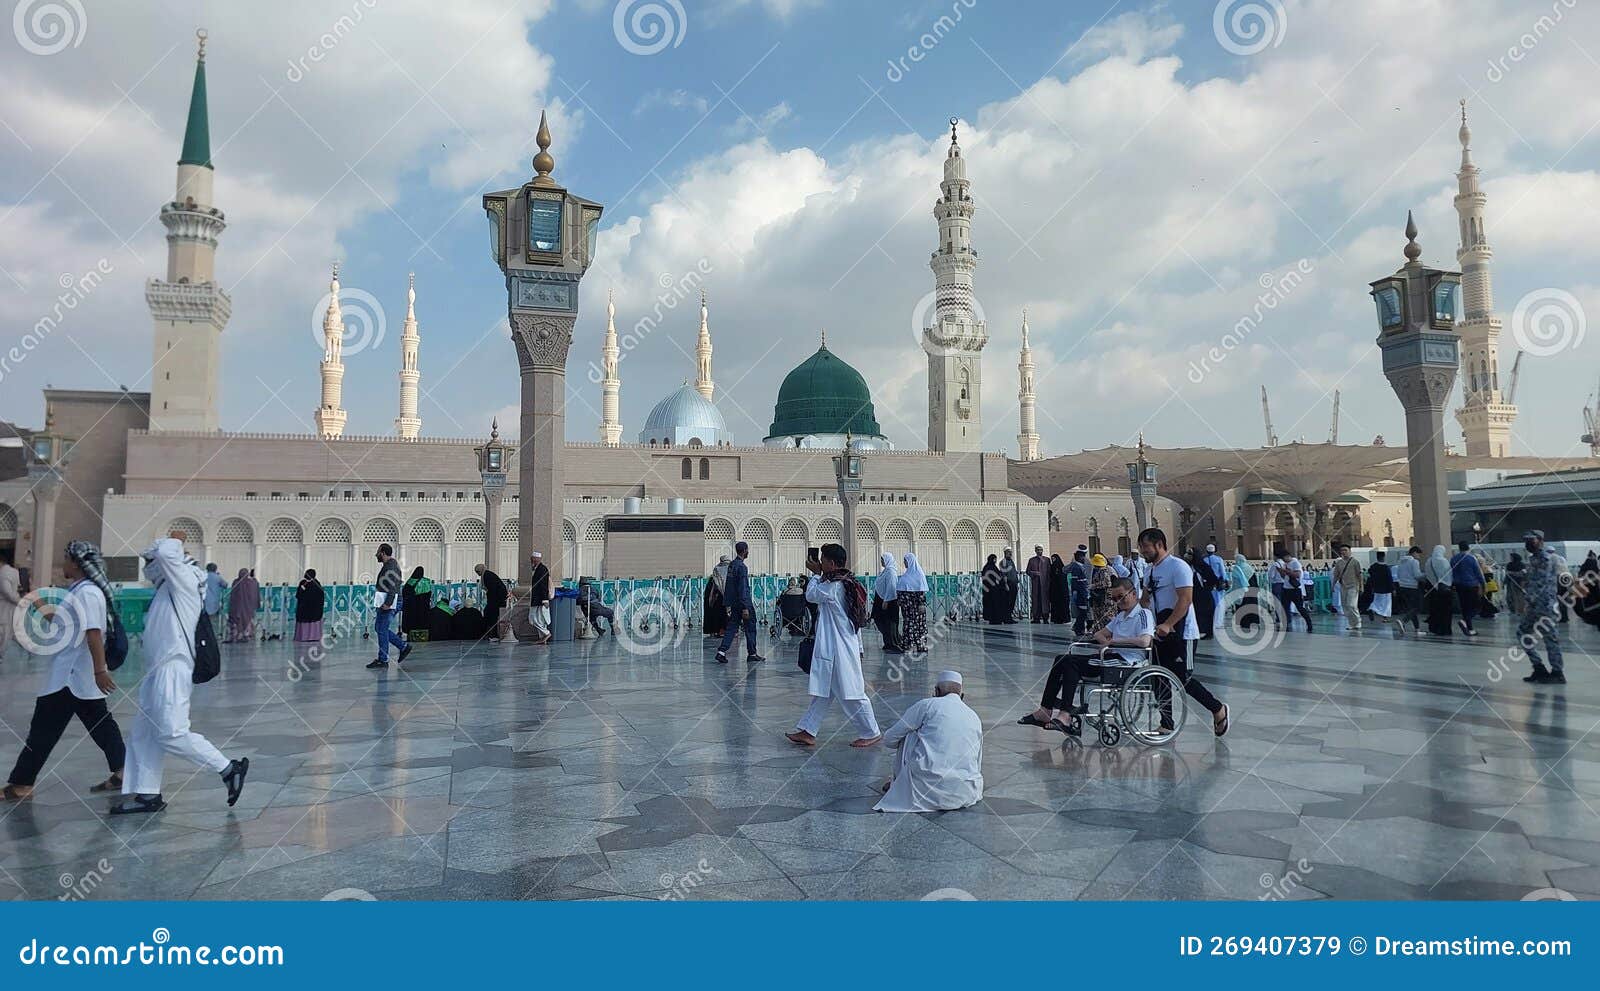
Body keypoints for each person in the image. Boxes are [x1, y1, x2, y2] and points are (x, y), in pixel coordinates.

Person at [111, 533, 248, 815]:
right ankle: (148, 794)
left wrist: (174, 538)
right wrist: (159, 549)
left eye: (157, 564)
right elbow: (154, 557)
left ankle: (227, 768)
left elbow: (164, 553)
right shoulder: (168, 587)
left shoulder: (185, 581)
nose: (151, 569)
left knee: (171, 733)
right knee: (144, 734)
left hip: (172, 668)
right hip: (158, 670)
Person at [3, 541, 125, 801]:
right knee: (101, 725)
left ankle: (22, 784)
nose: (63, 564)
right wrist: (35, 599)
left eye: (66, 559)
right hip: (75, 677)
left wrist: (100, 671)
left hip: (70, 677)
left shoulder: (88, 593)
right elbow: (61, 621)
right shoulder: (79, 590)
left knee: (43, 730)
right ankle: (125, 772)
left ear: (77, 564)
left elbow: (93, 632)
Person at [1019, 577, 1152, 735]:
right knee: (1061, 659)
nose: (1118, 601)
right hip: (1111, 656)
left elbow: (1145, 641)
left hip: (1126, 661)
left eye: (1121, 597)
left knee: (1071, 663)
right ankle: (1046, 710)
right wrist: (1108, 643)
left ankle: (1064, 715)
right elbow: (1099, 634)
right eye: (1115, 599)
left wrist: (1115, 642)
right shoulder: (1120, 617)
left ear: (1134, 594)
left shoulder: (1143, 614)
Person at [786, 543, 881, 748]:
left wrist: (814, 575)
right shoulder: (846, 581)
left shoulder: (834, 586)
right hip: (837, 645)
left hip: (839, 649)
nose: (820, 563)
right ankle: (808, 730)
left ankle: (871, 731)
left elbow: (811, 595)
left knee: (852, 692)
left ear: (831, 563)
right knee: (824, 691)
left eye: (823, 560)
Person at [1139, 527, 1229, 736]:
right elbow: (1145, 600)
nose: (1143, 551)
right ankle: (1167, 722)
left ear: (1159, 545)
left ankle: (1217, 709)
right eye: (1141, 547)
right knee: (1159, 677)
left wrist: (1169, 624)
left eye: (1146, 547)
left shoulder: (1177, 566)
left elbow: (1185, 599)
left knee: (1183, 678)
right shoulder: (1150, 571)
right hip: (1159, 633)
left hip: (1182, 632)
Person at [875, 670, 982, 813]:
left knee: (909, 733)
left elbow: (889, 739)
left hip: (923, 791)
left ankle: (900, 784)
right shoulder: (974, 716)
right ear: (962, 696)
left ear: (936, 691)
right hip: (965, 792)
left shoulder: (926, 705)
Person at [1519, 530, 1566, 685]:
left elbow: (1542, 583)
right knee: (1522, 633)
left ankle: (1557, 672)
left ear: (1540, 540)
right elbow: (1530, 582)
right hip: (1534, 606)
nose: (1528, 543)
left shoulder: (1547, 558)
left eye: (1531, 540)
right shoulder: (1533, 559)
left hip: (1545, 606)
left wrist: (1529, 599)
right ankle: (1539, 668)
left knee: (1550, 638)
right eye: (1526, 540)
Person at [715, 541, 763, 664]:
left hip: (734, 603)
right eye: (747, 550)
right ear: (745, 551)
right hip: (743, 602)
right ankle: (752, 653)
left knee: (732, 627)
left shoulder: (732, 565)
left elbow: (729, 586)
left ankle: (721, 652)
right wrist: (745, 607)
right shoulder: (742, 567)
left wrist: (729, 604)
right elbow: (742, 587)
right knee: (750, 627)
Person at [366, 542, 412, 669]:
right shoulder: (389, 565)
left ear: (383, 553)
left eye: (378, 553)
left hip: (390, 602)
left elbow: (393, 586)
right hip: (388, 601)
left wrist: (388, 603)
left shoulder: (391, 567)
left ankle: (383, 659)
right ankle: (403, 647)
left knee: (381, 629)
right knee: (380, 628)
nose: (376, 555)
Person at [1268, 548, 1312, 632]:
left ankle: (1309, 623)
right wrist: (1281, 571)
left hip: (1295, 589)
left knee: (1300, 608)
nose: (1283, 560)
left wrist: (1286, 571)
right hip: (1286, 588)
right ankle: (1287, 623)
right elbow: (1284, 577)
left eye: (1284, 558)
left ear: (1287, 556)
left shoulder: (1295, 563)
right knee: (1285, 607)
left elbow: (1297, 575)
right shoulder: (1285, 564)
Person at [897, 551, 930, 654]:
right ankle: (909, 645)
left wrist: (921, 604)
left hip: (916, 606)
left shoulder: (919, 575)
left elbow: (921, 591)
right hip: (907, 607)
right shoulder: (906, 575)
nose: (904, 563)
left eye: (905, 561)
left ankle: (920, 645)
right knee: (909, 624)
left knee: (919, 625)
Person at [1450, 541, 1484, 637]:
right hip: (1471, 585)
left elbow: (1452, 572)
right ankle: (1464, 621)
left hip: (1459, 586)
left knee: (1465, 607)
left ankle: (1470, 629)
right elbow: (1478, 572)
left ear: (1459, 548)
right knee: (1477, 607)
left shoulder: (1453, 559)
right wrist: (1483, 584)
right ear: (1468, 548)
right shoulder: (1471, 558)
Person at [872, 552, 901, 653]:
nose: (881, 562)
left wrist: (886, 600)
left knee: (889, 623)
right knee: (882, 621)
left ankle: (893, 644)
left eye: (882, 560)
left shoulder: (891, 572)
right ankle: (889, 642)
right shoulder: (886, 571)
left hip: (888, 601)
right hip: (882, 599)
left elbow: (891, 587)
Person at [1423, 545, 1455, 637]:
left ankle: (1435, 628)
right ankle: (1445, 629)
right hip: (1444, 590)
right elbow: (1449, 575)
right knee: (1446, 611)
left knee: (1435, 610)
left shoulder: (1428, 561)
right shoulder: (1443, 561)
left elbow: (1427, 575)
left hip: (1433, 589)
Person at [1186, 547, 1216, 639]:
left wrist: (1206, 585)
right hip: (1194, 594)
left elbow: (1213, 579)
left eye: (1190, 554)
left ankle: (1205, 631)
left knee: (1204, 613)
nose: (1187, 556)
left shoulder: (1204, 567)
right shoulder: (1187, 566)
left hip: (1204, 595)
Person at [1332, 544, 1363, 631]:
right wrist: (1333, 585)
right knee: (1345, 605)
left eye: (1345, 550)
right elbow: (1336, 575)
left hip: (1353, 586)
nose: (1343, 552)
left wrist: (1361, 586)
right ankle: (1351, 623)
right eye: (1342, 550)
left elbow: (1359, 575)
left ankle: (1357, 621)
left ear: (1350, 551)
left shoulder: (1355, 562)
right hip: (1343, 586)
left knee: (1351, 605)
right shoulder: (1339, 563)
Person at [1394, 545, 1424, 635]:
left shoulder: (1400, 561)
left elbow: (1398, 574)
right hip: (1412, 587)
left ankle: (1417, 629)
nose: (1419, 557)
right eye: (1418, 554)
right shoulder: (1414, 562)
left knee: (1411, 608)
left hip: (1402, 587)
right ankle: (1403, 621)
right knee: (1417, 607)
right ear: (1414, 553)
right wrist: (1425, 574)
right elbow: (1417, 575)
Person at [475, 563, 509, 642]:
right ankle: (492, 634)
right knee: (490, 615)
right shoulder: (487, 574)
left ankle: (493, 635)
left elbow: (492, 590)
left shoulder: (487, 575)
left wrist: (491, 601)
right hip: (497, 599)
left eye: (478, 571)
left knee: (491, 616)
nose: (478, 573)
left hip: (496, 600)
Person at [223, 568, 259, 643]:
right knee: (247, 620)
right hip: (248, 607)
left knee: (237, 621)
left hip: (237, 607)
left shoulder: (236, 582)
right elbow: (255, 589)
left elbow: (233, 595)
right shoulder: (250, 583)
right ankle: (245, 635)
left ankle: (237, 635)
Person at [525, 551, 553, 645]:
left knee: (533, 619)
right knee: (540, 619)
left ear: (536, 559)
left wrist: (545, 599)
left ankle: (546, 633)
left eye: (532, 558)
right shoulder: (538, 569)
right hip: (538, 599)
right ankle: (542, 638)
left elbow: (543, 585)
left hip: (540, 599)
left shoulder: (542, 569)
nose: (531, 560)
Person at [401, 566, 434, 637]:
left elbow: (404, 593)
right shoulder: (426, 581)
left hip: (412, 608)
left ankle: (411, 636)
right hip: (424, 608)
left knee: (412, 622)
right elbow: (429, 594)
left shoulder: (410, 582)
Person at [1202, 543, 1227, 633]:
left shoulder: (1204, 560)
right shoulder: (1218, 559)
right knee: (1219, 603)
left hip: (1207, 583)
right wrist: (1225, 580)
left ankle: (1210, 621)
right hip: (1217, 583)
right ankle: (1218, 622)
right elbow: (1223, 572)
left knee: (1209, 603)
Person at [294, 569, 325, 642]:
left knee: (307, 620)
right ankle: (313, 636)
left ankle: (303, 636)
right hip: (310, 609)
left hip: (307, 609)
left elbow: (298, 595)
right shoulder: (311, 583)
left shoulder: (312, 583)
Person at [1366, 550, 1395, 629]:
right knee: (1387, 604)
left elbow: (1370, 575)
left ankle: (1372, 609)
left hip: (1376, 588)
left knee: (1377, 601)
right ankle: (1385, 618)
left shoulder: (1373, 567)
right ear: (1384, 557)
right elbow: (1389, 579)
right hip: (1386, 589)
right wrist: (1393, 589)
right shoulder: (1386, 567)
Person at [0, 548, 20, 661]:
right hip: (12, 609)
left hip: (4, 608)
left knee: (4, 632)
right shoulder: (14, 571)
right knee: (12, 633)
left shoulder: (3, 573)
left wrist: (19, 601)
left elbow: (7, 591)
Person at [703, 555, 730, 637]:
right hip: (717, 597)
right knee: (720, 613)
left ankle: (718, 630)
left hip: (718, 597)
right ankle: (720, 630)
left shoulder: (716, 571)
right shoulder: (719, 572)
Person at [1066, 547, 1090, 634]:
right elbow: (1077, 583)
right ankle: (1079, 629)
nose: (1084, 558)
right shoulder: (1077, 567)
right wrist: (1084, 594)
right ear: (1080, 557)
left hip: (1081, 592)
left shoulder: (1079, 567)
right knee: (1082, 612)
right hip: (1080, 593)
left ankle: (1078, 628)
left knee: (1083, 612)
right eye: (1083, 556)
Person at [1025, 545, 1051, 623]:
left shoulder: (1046, 560)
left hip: (1044, 584)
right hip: (1036, 584)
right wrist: (1034, 573)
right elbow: (1028, 571)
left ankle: (1045, 618)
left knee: (1045, 600)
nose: (1040, 551)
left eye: (1041, 550)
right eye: (1038, 550)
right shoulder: (1032, 560)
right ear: (1035, 551)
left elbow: (1049, 572)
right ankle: (1036, 618)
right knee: (1036, 600)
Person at [1088, 552, 1114, 629]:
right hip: (1099, 599)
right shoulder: (1100, 571)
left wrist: (1093, 586)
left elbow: (1107, 583)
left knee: (1105, 618)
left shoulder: (1104, 571)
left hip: (1104, 599)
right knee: (1098, 617)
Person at [980, 554, 1006, 625]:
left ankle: (991, 618)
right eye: (995, 559)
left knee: (990, 604)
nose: (995, 561)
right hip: (994, 589)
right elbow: (998, 577)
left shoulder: (986, 567)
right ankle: (996, 619)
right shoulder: (992, 567)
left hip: (988, 589)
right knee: (995, 604)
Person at [998, 548, 1020, 622]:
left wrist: (1017, 583)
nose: (1010, 554)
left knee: (1012, 601)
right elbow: (1003, 574)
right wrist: (1006, 584)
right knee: (1008, 602)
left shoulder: (1011, 561)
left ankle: (1009, 617)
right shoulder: (1003, 562)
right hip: (1008, 584)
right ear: (1005, 553)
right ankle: (1006, 618)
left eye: (1010, 552)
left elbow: (1014, 573)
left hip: (1014, 584)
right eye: (1008, 552)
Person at [1047, 553, 1070, 624]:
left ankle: (1064, 618)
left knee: (1063, 605)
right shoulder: (1052, 567)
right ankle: (1056, 619)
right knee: (1055, 605)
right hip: (1054, 590)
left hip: (1061, 590)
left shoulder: (1062, 568)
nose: (1053, 561)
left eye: (1054, 559)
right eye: (1052, 559)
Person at [1504, 551, 1528, 616]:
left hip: (1519, 582)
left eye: (1511, 557)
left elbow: (1523, 573)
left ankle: (1520, 610)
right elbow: (1507, 574)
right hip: (1510, 582)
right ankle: (1513, 610)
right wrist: (1505, 582)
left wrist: (1512, 573)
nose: (1510, 558)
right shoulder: (1509, 565)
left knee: (1520, 597)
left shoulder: (1521, 565)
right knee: (1510, 597)